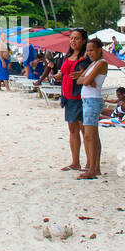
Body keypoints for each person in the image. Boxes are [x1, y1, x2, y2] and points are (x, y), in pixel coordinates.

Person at [52, 29, 89, 172]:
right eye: (72, 38)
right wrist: (58, 75)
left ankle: (89, 163)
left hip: (79, 97)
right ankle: (75, 162)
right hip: (68, 97)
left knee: (84, 131)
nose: (73, 41)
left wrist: (82, 73)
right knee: (72, 130)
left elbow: (95, 68)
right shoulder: (69, 55)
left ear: (84, 40)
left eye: (77, 38)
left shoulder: (86, 56)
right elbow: (64, 72)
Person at [77, 37, 109, 178]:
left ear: (99, 50)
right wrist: (86, 80)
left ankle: (94, 169)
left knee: (90, 135)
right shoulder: (94, 63)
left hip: (93, 100)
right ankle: (94, 167)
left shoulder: (101, 63)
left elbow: (85, 80)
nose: (89, 53)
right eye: (87, 50)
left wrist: (86, 80)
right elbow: (79, 79)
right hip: (88, 100)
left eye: (91, 50)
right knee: (92, 135)